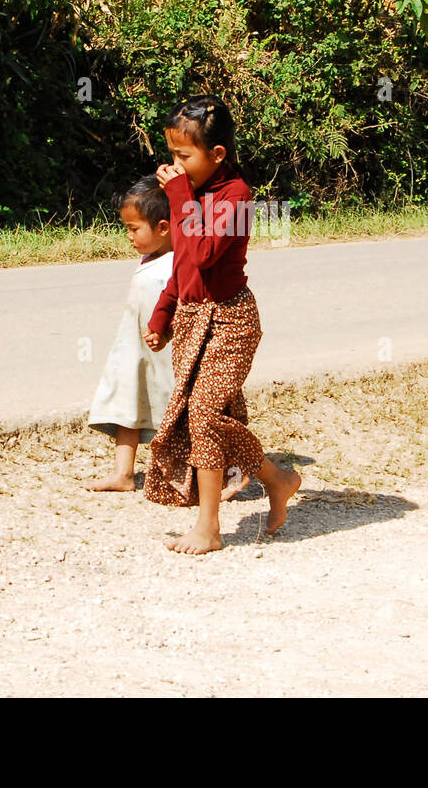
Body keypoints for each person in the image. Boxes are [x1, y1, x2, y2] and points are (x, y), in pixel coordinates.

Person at [142, 95, 301, 554]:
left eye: (184, 156)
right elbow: (183, 264)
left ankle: (208, 527)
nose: (175, 166)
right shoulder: (190, 194)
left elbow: (205, 252)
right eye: (172, 155)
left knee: (205, 414)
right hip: (193, 318)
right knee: (205, 418)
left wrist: (179, 196)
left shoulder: (236, 196)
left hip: (231, 320)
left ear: (216, 154)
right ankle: (277, 478)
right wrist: (163, 314)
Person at [84, 176, 175, 492]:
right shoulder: (151, 258)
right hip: (132, 350)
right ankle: (123, 474)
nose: (129, 235)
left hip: (164, 355)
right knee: (127, 404)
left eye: (134, 229)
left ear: (163, 227)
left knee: (171, 410)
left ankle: (184, 473)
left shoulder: (179, 265)